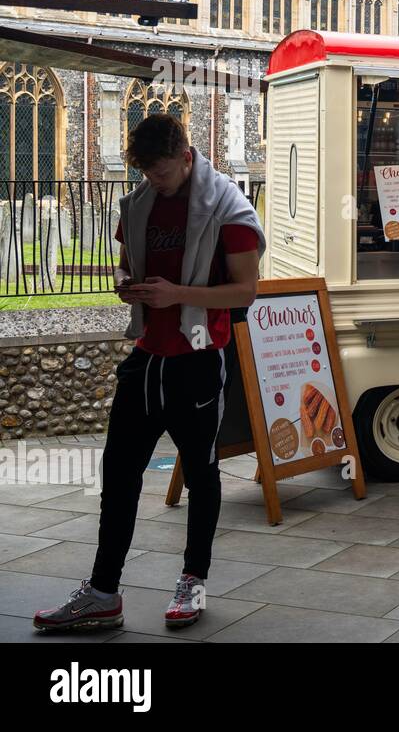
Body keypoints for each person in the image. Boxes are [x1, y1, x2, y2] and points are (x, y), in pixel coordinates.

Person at [34, 114, 264, 632]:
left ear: (186, 157)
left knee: (202, 476)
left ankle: (192, 583)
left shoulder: (227, 208)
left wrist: (178, 295)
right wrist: (125, 282)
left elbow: (246, 291)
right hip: (147, 357)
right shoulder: (140, 203)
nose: (154, 183)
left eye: (161, 172)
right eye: (147, 174)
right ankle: (102, 593)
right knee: (118, 474)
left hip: (199, 357)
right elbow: (125, 260)